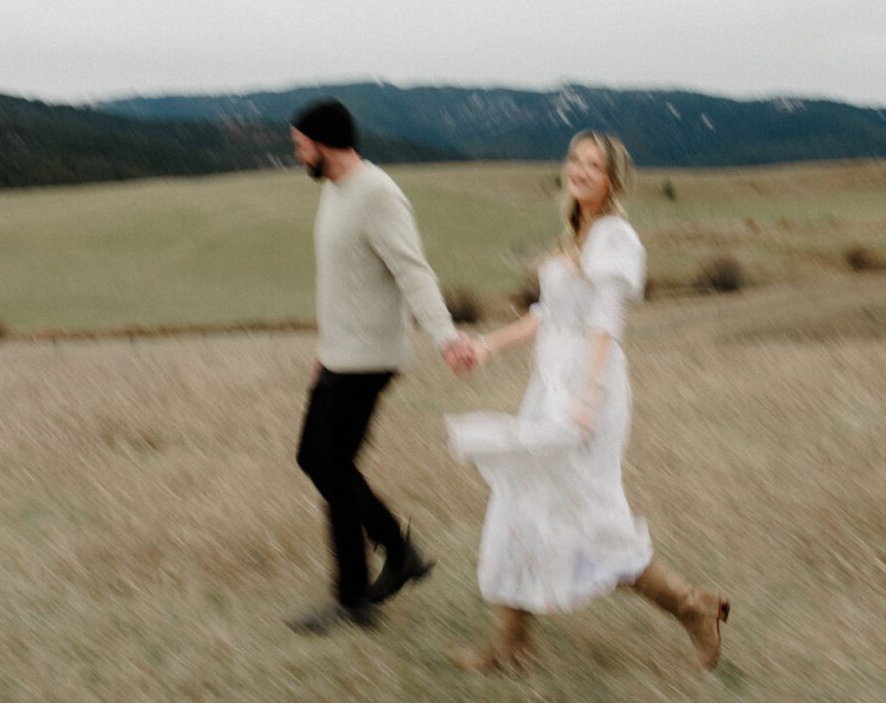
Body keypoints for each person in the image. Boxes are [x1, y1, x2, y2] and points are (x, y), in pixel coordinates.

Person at [445, 130, 730, 671]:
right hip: (550, 385)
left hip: (587, 392)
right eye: (575, 159)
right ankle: (511, 649)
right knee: (519, 505)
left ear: (612, 180)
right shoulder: (575, 234)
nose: (580, 170)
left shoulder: (613, 238)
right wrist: (486, 345)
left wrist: (588, 398)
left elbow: (605, 324)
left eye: (594, 166)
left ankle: (694, 607)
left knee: (591, 520)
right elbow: (547, 314)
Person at [286, 98, 476, 635]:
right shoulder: (336, 192)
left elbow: (412, 271)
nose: (297, 153)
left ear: (325, 143)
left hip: (369, 359)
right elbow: (346, 281)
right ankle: (380, 572)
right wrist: (326, 348)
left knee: (325, 462)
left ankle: (375, 575)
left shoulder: (377, 194)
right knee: (325, 463)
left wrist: (446, 338)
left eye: (301, 144)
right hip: (343, 355)